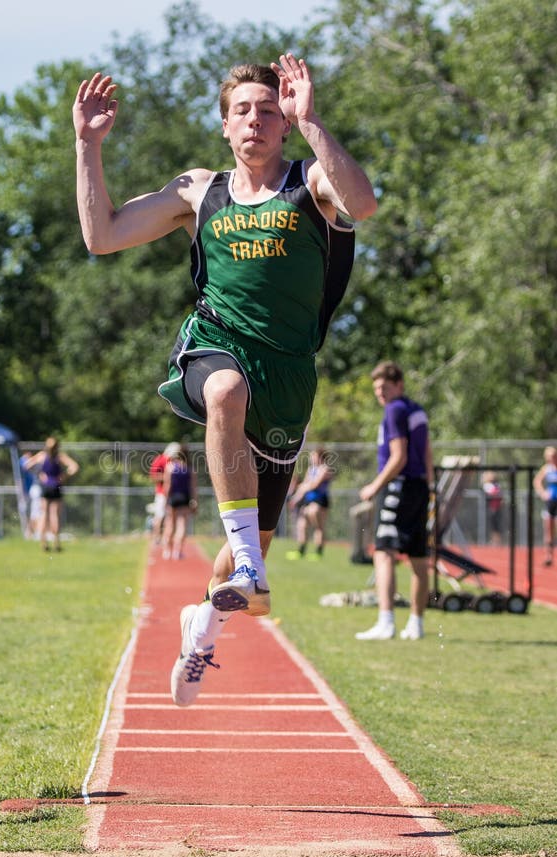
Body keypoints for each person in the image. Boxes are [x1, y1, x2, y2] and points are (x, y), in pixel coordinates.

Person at [73, 53, 376, 705]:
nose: (255, 121)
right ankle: (246, 564)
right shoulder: (197, 191)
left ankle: (203, 621)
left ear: (284, 123)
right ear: (223, 125)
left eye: (268, 111)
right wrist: (87, 147)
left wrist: (314, 119)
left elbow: (364, 202)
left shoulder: (310, 181)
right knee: (223, 392)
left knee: (251, 546)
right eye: (242, 110)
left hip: (288, 374)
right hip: (215, 346)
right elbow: (100, 235)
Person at [355, 361, 433, 641]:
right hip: (419, 487)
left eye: (385, 387)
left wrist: (374, 486)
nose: (381, 394)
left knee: (384, 552)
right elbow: (427, 453)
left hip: (398, 487)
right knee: (418, 558)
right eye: (377, 389)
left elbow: (399, 456)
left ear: (399, 385)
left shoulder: (394, 410)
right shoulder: (417, 410)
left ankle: (386, 621)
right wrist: (429, 487)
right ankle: (416, 623)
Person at [23, 438, 80, 552]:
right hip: (56, 486)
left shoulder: (42, 455)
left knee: (44, 514)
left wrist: (39, 474)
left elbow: (27, 465)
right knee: (55, 515)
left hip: (45, 487)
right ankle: (56, 543)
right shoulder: (59, 456)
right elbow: (74, 467)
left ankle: (44, 543)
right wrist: (64, 476)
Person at [286, 446, 332, 559]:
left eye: (314, 455)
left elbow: (314, 485)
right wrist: (295, 499)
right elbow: (304, 486)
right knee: (302, 525)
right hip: (308, 500)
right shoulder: (310, 469)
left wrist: (304, 486)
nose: (311, 458)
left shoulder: (324, 469)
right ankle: (301, 551)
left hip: (319, 501)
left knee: (318, 526)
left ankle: (318, 552)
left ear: (320, 456)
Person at [162, 445, 198, 560]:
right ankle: (177, 551)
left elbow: (167, 485)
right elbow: (193, 487)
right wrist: (194, 501)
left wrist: (166, 500)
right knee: (182, 525)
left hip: (173, 497)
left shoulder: (170, 467)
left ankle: (167, 551)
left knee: (170, 524)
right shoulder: (189, 468)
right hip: (185, 498)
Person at [149, 442, 181, 545]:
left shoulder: (174, 461)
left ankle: (165, 538)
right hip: (162, 493)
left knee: (169, 517)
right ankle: (156, 537)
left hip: (172, 493)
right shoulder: (161, 459)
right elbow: (153, 476)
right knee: (160, 515)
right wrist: (167, 477)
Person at [533, 446, 557, 566]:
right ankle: (548, 555)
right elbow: (537, 481)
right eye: (549, 457)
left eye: (553, 456)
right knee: (549, 529)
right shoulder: (547, 469)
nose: (551, 459)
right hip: (550, 502)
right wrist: (543, 493)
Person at [481, 470, 504, 546]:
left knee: (497, 525)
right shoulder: (487, 485)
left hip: (497, 508)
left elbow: (499, 493)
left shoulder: (496, 484)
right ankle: (495, 541)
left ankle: (497, 541)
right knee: (493, 525)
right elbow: (493, 492)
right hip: (492, 508)